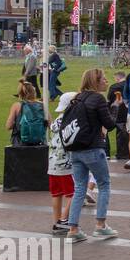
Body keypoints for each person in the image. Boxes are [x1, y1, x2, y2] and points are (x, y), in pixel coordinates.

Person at [64, 68, 119, 242]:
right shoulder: (97, 98)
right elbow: (109, 124)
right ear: (95, 81)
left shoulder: (76, 98)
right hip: (93, 148)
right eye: (103, 79)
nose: (106, 81)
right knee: (104, 184)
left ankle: (73, 229)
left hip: (75, 149)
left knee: (79, 187)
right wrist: (116, 108)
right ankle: (100, 225)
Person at [48, 91, 77, 235]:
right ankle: (63, 220)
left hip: (53, 163)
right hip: (66, 163)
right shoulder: (69, 121)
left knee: (56, 194)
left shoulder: (56, 121)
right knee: (75, 192)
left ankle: (56, 221)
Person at [6, 79, 48, 146]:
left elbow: (8, 126)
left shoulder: (16, 106)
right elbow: (50, 124)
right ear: (34, 92)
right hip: (39, 143)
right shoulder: (42, 105)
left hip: (20, 143)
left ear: (20, 93)